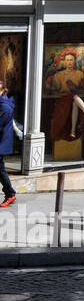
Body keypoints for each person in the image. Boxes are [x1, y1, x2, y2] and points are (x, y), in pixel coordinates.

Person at [0, 79, 18, 208]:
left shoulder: (4, 104)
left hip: (1, 141)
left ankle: (10, 193)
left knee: (0, 169)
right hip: (3, 140)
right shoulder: (5, 101)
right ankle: (10, 193)